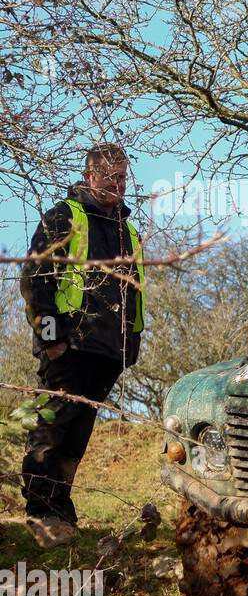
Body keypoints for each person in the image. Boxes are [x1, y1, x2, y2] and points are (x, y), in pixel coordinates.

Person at [18, 142, 145, 548]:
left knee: (77, 436)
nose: (117, 185)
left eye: (123, 177)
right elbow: (36, 279)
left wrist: (132, 346)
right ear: (90, 176)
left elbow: (135, 296)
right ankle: (41, 514)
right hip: (68, 346)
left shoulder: (128, 231)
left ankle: (62, 512)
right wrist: (51, 339)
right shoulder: (64, 217)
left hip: (109, 353)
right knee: (52, 429)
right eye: (110, 177)